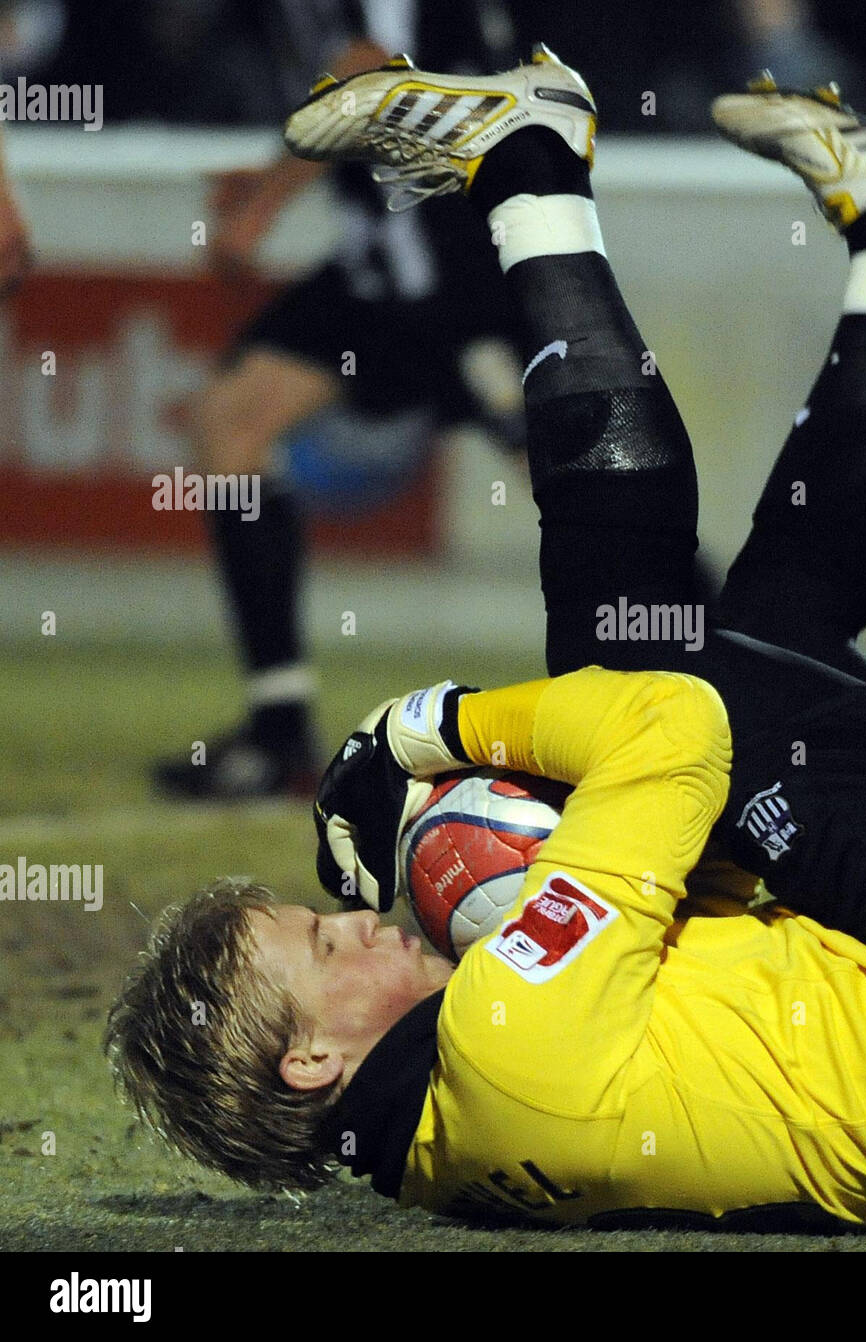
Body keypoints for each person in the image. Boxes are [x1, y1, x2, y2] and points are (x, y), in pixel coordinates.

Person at [106, 48, 866, 1230]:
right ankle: (526, 163)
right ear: (313, 1062)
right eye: (328, 942)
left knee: (771, 629)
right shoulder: (504, 1040)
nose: (366, 920)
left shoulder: (445, 1148)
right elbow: (675, 725)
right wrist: (425, 729)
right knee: (633, 656)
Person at [151, 0, 527, 801]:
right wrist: (274, 173)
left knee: (582, 478)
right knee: (229, 421)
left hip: (462, 272)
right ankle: (279, 733)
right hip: (380, 276)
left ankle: (733, 674)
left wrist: (266, 199)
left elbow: (369, 71)